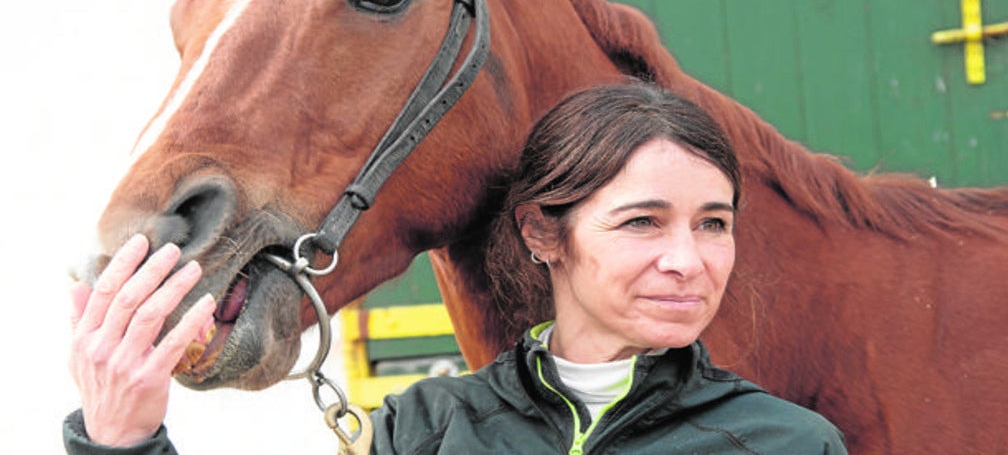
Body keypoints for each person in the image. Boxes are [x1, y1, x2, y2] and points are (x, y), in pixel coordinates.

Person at [65, 82, 847, 453]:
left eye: (715, 225)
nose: (689, 261)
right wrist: (121, 436)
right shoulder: (426, 430)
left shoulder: (784, 443)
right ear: (545, 234)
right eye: (643, 222)